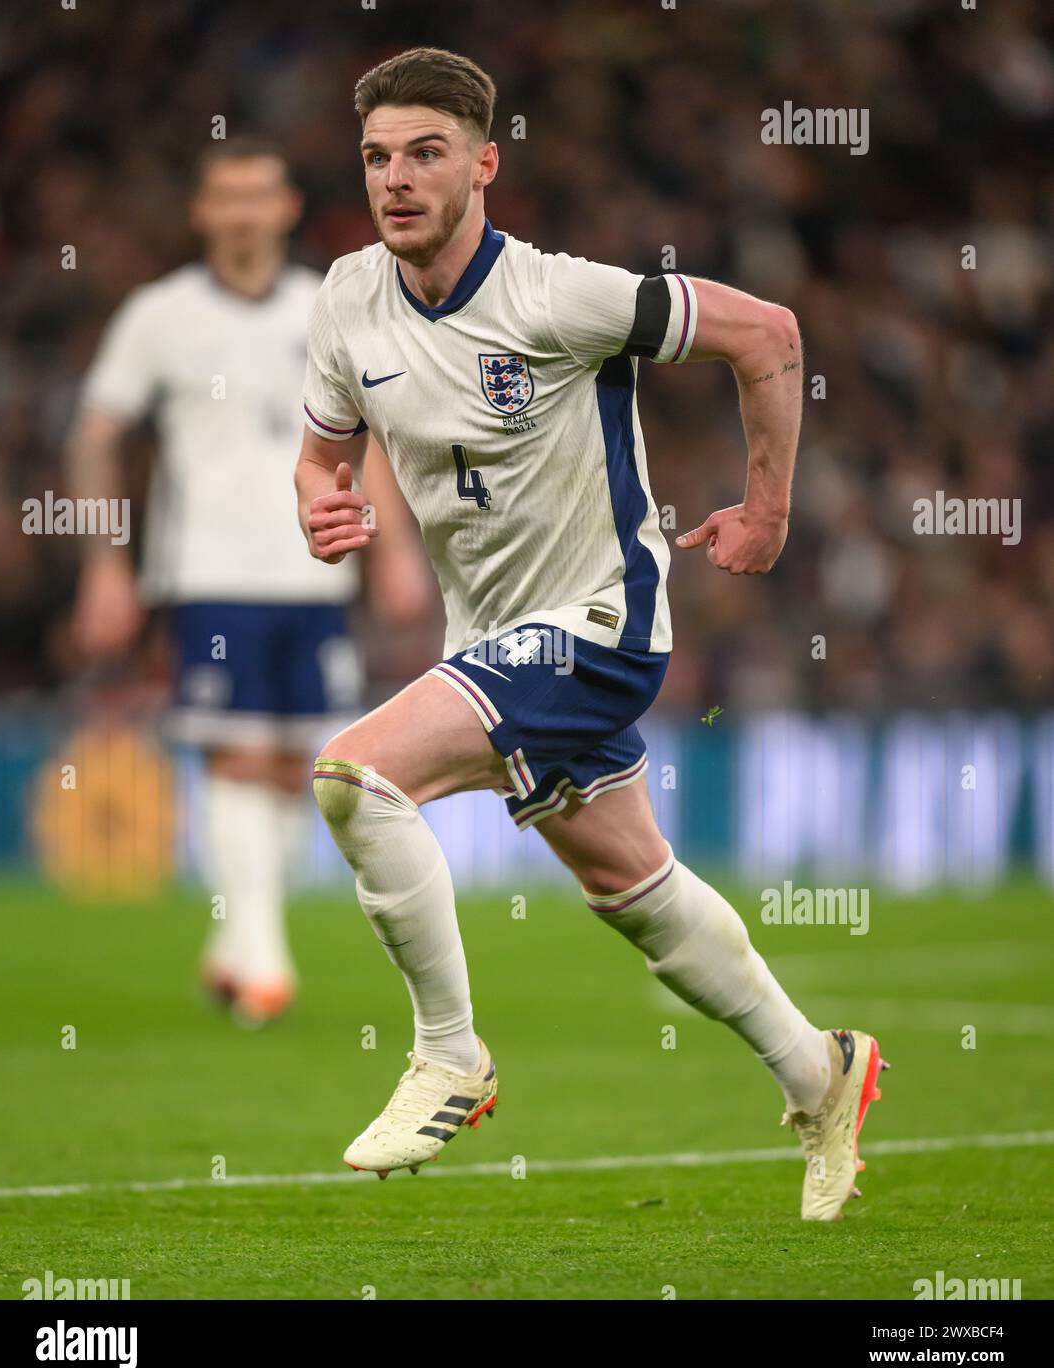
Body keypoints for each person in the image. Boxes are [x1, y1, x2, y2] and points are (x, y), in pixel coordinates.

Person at [295, 48, 888, 1219]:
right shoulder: (346, 298)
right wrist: (319, 496)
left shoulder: (560, 296)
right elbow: (324, 448)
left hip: (600, 627)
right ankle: (822, 1071)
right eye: (377, 157)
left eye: (426, 153)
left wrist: (768, 509)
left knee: (355, 778)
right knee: (637, 890)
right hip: (495, 641)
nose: (397, 179)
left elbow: (768, 334)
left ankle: (451, 1054)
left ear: (484, 164)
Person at [68, 136, 428, 1026]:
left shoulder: (327, 305)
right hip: (209, 572)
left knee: (293, 768)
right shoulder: (161, 315)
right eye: (223, 196)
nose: (240, 213)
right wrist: (105, 562)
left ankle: (237, 946)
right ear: (201, 212)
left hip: (316, 570)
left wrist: (393, 550)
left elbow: (366, 436)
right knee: (234, 751)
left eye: (256, 196)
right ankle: (264, 963)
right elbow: (96, 432)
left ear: (285, 208)